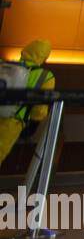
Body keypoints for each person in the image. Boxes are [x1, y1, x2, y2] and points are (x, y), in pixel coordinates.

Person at [0, 39, 56, 171]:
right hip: (13, 121)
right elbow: (40, 108)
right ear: (44, 57)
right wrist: (34, 124)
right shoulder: (45, 75)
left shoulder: (4, 65)